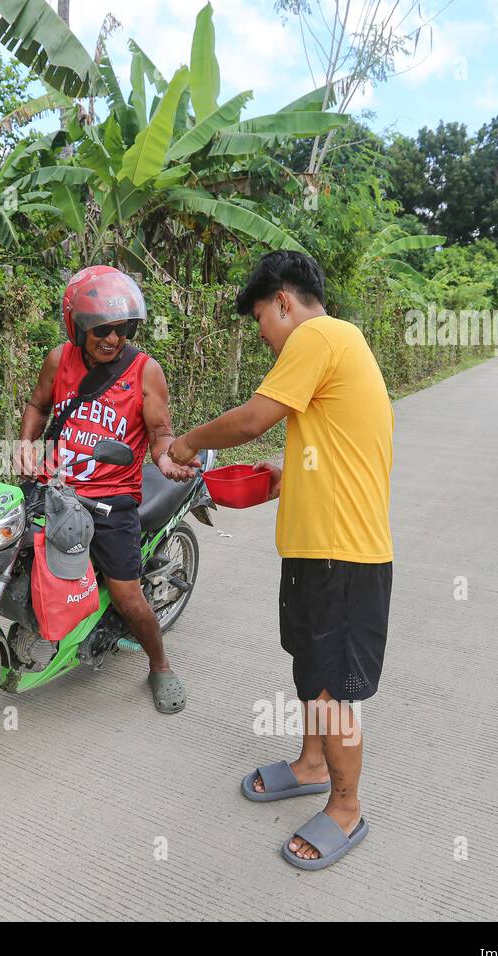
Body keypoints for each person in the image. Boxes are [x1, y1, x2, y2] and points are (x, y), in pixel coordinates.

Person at [169, 251, 393, 869]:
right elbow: (341, 445)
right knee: (312, 669)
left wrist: (186, 445)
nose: (264, 334)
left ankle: (345, 808)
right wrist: (287, 471)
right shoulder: (341, 343)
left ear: (285, 302)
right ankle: (312, 764)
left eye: (261, 319)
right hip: (317, 552)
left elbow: (251, 421)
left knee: (332, 689)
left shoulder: (318, 336)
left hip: (342, 556)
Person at [14, 266, 198, 713]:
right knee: (9, 553)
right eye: (101, 330)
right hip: (53, 490)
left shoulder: (145, 371)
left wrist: (165, 458)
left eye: (122, 329)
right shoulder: (59, 360)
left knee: (127, 595)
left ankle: (160, 666)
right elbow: (37, 405)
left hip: (109, 501)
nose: (113, 339)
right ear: (77, 327)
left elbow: (160, 434)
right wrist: (25, 443)